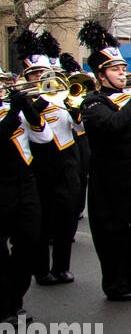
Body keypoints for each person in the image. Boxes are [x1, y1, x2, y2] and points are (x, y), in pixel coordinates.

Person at [77, 22, 131, 302]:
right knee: (114, 233)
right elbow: (113, 125)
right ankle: (116, 284)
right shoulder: (92, 103)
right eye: (115, 70)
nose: (122, 73)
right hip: (112, 178)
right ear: (100, 75)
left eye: (123, 68)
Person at [17, 31, 80, 286]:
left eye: (45, 74)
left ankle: (62, 267)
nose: (41, 78)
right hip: (39, 164)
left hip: (66, 161)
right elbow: (27, 128)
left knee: (66, 215)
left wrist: (76, 110)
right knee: (41, 220)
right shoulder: (21, 100)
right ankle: (41, 269)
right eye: (35, 75)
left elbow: (79, 130)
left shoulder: (63, 97)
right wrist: (38, 102)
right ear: (27, 77)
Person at [1, 80, 51, 323]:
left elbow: (45, 138)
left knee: (30, 241)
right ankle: (5, 305)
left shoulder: (11, 108)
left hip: (24, 180)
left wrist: (29, 110)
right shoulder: (10, 111)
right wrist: (13, 112)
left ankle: (13, 298)